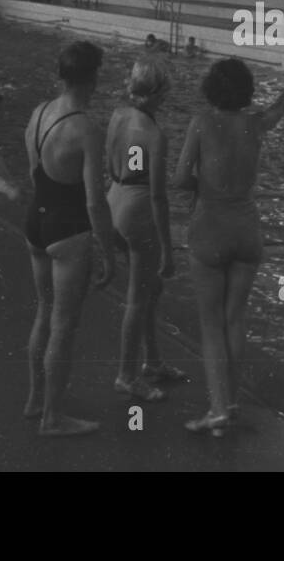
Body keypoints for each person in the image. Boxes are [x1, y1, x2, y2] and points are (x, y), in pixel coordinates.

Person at [172, 60, 284, 435]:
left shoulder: (201, 123)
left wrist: (201, 185)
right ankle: (230, 402)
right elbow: (278, 111)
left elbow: (180, 178)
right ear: (245, 91)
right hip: (248, 232)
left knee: (211, 323)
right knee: (235, 319)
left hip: (210, 230)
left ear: (211, 88)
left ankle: (216, 410)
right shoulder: (254, 124)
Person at [21, 41, 117, 436]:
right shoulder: (86, 128)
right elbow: (95, 202)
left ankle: (35, 400)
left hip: (35, 223)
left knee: (43, 312)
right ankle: (53, 418)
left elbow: (34, 174)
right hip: (68, 232)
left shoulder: (39, 113)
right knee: (63, 324)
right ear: (93, 78)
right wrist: (109, 252)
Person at [106, 58, 185, 402]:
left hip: (114, 201)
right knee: (138, 299)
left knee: (149, 291)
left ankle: (152, 362)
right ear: (156, 94)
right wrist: (168, 249)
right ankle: (126, 375)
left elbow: (110, 161)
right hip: (138, 213)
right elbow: (158, 196)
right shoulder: (154, 135)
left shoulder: (118, 116)